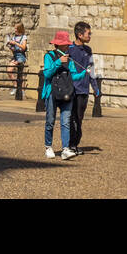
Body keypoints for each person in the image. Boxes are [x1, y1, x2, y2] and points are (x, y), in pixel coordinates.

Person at [42, 29, 82, 160]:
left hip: (67, 92)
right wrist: (59, 62)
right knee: (50, 121)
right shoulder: (49, 56)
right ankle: (48, 146)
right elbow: (47, 74)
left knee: (65, 122)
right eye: (65, 44)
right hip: (52, 92)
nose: (67, 47)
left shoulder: (69, 60)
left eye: (67, 44)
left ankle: (65, 149)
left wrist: (84, 74)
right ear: (58, 45)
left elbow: (73, 76)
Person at [67, 21, 96, 152]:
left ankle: (75, 143)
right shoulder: (70, 50)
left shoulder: (88, 50)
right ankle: (71, 144)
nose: (90, 36)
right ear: (80, 35)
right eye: (88, 33)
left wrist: (95, 87)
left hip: (84, 89)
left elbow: (91, 69)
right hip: (73, 89)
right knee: (72, 118)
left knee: (79, 118)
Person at [5, 22, 28, 95]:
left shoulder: (24, 37)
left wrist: (15, 43)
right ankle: (15, 86)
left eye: (16, 28)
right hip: (15, 56)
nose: (14, 30)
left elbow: (24, 47)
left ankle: (22, 90)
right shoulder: (14, 37)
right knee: (9, 70)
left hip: (21, 56)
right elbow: (13, 50)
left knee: (20, 72)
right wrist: (10, 47)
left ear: (19, 29)